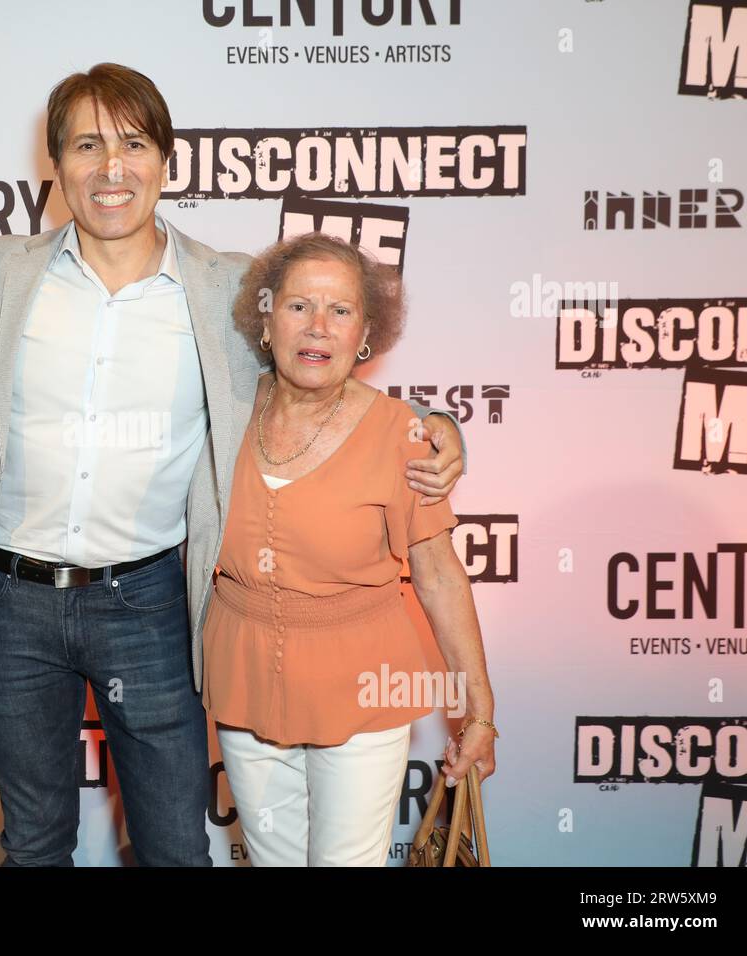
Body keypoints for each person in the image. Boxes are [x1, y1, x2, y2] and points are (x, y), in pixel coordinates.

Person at [0, 64, 466, 866]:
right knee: (38, 837)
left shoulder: (227, 290)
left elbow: (315, 363)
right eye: (86, 145)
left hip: (148, 606)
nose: (110, 168)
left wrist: (431, 422)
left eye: (133, 143)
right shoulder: (3, 271)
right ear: (55, 165)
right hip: (8, 607)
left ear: (165, 160)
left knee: (172, 843)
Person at [204, 233, 497, 866]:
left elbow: (441, 576)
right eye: (298, 306)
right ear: (266, 317)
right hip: (242, 677)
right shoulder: (222, 412)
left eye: (340, 311)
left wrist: (479, 710)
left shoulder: (403, 434)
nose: (318, 328)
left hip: (363, 686)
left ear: (366, 332)